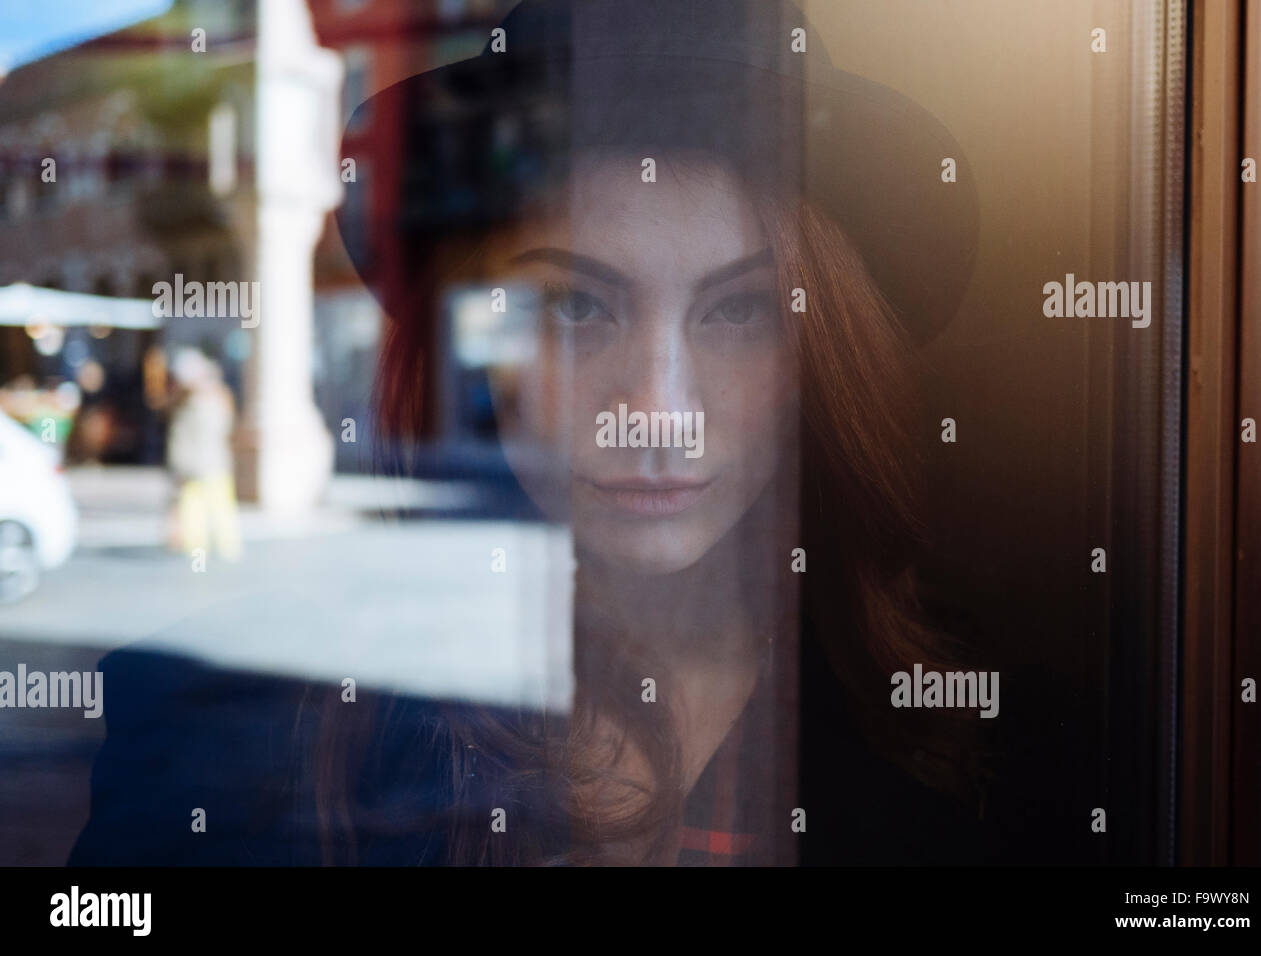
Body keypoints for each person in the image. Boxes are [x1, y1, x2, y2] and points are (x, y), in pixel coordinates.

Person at [70, 0, 999, 866]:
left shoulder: (978, 737)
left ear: (827, 351)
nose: (658, 413)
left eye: (740, 311)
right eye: (576, 307)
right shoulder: (231, 730)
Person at [164, 348, 241, 563]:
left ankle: (206, 554)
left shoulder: (198, 404)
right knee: (215, 512)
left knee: (199, 514)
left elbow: (185, 440)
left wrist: (180, 467)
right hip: (212, 466)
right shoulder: (215, 399)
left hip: (198, 468)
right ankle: (224, 552)